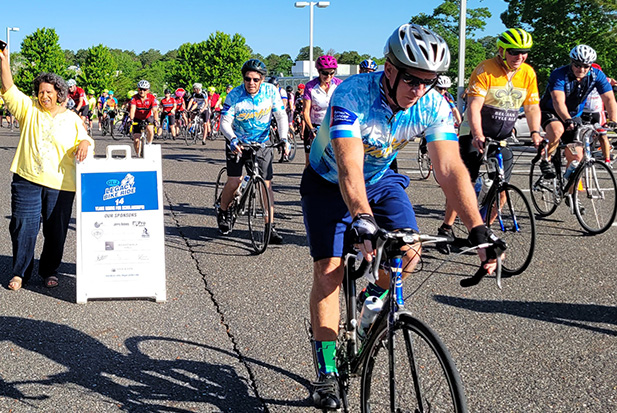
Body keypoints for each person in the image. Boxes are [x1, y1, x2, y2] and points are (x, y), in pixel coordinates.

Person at [301, 24, 504, 409]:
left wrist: (478, 228)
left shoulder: (434, 104)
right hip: (329, 183)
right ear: (389, 69)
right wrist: (361, 217)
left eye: (430, 81)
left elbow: (449, 167)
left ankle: (371, 300)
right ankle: (326, 372)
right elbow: (348, 164)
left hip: (381, 180)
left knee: (409, 251)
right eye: (413, 79)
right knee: (329, 270)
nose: (420, 90)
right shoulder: (352, 93)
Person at [0, 43, 93, 291]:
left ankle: (49, 270)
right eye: (41, 91)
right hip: (27, 178)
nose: (44, 95)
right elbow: (8, 88)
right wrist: (4, 60)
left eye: (49, 92)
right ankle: (20, 273)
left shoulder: (71, 118)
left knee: (56, 231)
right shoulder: (28, 110)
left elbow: (85, 138)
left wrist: (83, 142)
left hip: (61, 184)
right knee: (22, 226)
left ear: (59, 93)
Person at [435, 28, 542, 252]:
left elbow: (532, 106)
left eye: (524, 52)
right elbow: (474, 106)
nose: (519, 57)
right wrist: (476, 134)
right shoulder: (485, 69)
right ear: (502, 50)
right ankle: (446, 228)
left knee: (502, 190)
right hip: (473, 133)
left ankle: (482, 231)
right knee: (464, 183)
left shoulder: (527, 73)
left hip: (502, 138)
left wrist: (535, 133)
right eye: (514, 52)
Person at [215, 59, 287, 244]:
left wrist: (284, 139)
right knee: (234, 181)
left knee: (266, 185)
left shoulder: (271, 92)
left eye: (256, 79)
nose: (251, 83)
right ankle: (223, 211)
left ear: (262, 79)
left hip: (262, 143)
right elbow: (224, 122)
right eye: (247, 79)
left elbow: (280, 116)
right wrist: (232, 139)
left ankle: (269, 228)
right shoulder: (235, 95)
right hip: (237, 142)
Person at [538, 45, 617, 186]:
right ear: (571, 62)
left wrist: (614, 120)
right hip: (551, 111)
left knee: (577, 157)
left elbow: (609, 99)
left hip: (574, 114)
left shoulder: (596, 75)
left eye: (586, 66)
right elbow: (558, 101)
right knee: (557, 130)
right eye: (577, 65)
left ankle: (571, 195)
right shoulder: (559, 74)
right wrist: (567, 119)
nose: (581, 70)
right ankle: (545, 159)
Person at [302, 55, 342, 164]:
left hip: (332, 126)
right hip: (314, 126)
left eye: (332, 73)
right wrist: (311, 129)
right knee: (310, 163)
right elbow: (305, 112)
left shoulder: (339, 84)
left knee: (335, 162)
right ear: (319, 71)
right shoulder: (310, 87)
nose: (329, 76)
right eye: (325, 73)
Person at [128, 80, 159, 154]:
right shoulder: (134, 98)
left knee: (150, 129)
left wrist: (156, 120)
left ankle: (149, 144)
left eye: (144, 90)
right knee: (136, 140)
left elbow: (155, 111)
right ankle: (138, 155)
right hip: (137, 117)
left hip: (147, 116)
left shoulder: (152, 98)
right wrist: (131, 119)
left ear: (148, 90)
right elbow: (132, 109)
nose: (142, 91)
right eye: (140, 89)